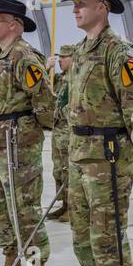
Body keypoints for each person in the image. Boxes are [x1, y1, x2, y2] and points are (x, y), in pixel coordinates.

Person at [59, 0, 133, 266]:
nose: (76, 8)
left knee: (108, 234)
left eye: (83, 2)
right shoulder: (80, 51)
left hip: (109, 157)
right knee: (81, 232)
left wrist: (126, 156)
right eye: (74, 3)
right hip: (80, 154)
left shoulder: (119, 51)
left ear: (103, 7)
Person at [0, 0, 55, 266]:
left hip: (18, 146)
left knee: (25, 212)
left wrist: (30, 136)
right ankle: (12, 263)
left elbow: (44, 102)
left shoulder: (24, 56)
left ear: (15, 24)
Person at [49, 43, 77, 223]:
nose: (60, 60)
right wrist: (46, 69)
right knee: (59, 169)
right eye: (59, 57)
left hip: (69, 130)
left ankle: (73, 208)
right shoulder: (59, 79)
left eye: (64, 57)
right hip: (58, 130)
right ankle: (64, 204)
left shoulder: (76, 80)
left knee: (69, 170)